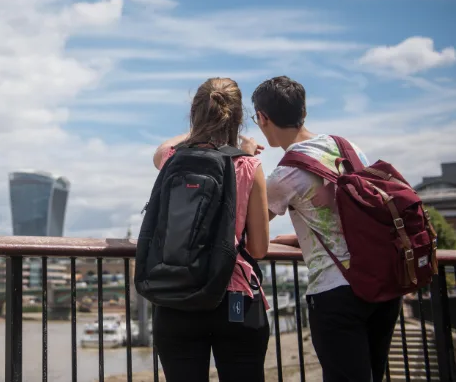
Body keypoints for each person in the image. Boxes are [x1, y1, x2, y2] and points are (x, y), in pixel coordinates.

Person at [251, 75, 401, 382]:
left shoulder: (286, 173)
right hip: (380, 282)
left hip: (336, 293)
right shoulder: (346, 147)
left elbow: (248, 228)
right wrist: (302, 237)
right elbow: (354, 210)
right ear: (303, 111)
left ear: (263, 118)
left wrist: (244, 161)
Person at [151, 77, 270, 382]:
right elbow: (258, 249)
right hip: (234, 299)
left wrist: (200, 128)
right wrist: (240, 145)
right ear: (238, 116)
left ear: (195, 113)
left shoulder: (172, 159)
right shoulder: (248, 166)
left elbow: (161, 148)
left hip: (176, 294)